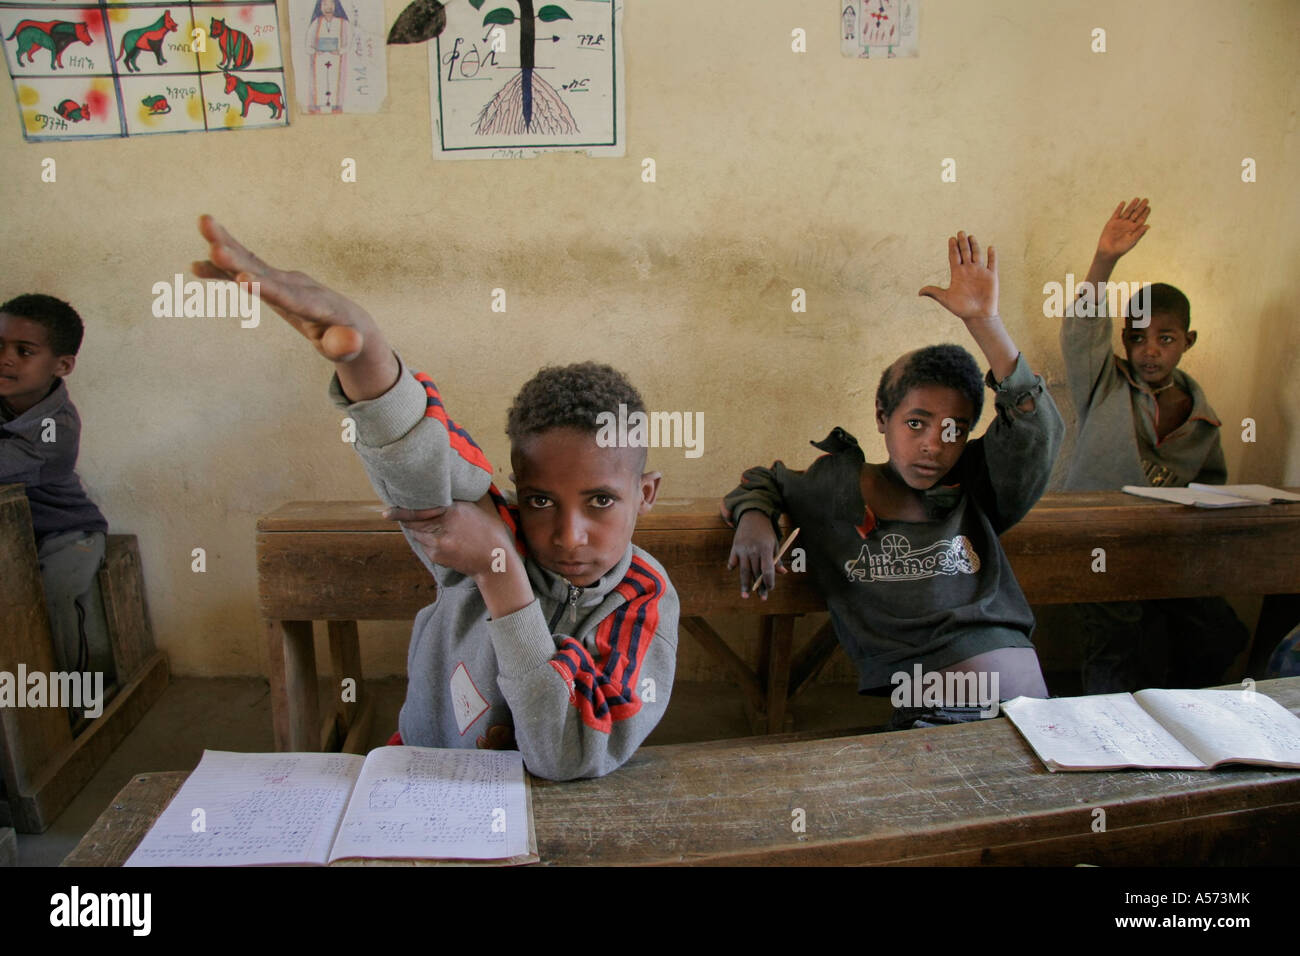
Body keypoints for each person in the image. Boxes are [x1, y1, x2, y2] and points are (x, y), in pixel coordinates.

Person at [193, 215, 679, 780]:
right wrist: (365, 356)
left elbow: (570, 754)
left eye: (601, 501)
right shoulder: (495, 528)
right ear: (519, 490)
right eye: (541, 501)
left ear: (645, 493)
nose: (569, 536)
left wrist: (498, 575)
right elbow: (426, 465)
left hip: (547, 810)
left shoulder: (643, 601)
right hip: (424, 779)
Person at [724, 232, 1062, 727]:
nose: (933, 445)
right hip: (943, 719)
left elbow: (1036, 428)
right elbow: (765, 480)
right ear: (882, 417)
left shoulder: (978, 485)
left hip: (1032, 719)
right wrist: (754, 517)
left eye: (954, 429)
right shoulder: (837, 486)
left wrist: (986, 325)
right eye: (916, 423)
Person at [1059, 197, 1247, 693]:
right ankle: (1107, 727)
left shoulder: (1202, 421)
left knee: (1219, 632)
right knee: (1118, 639)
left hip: (1162, 548)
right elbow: (1081, 331)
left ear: (1189, 341)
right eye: (1139, 338)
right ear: (1123, 339)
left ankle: (1183, 711)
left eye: (1166, 339)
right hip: (1097, 542)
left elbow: (1210, 494)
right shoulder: (1104, 385)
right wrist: (1105, 260)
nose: (1150, 351)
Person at [0, 293, 112, 719]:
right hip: (9, 532)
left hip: (65, 533)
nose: (5, 359)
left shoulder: (56, 429)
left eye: (24, 351)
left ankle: (70, 708)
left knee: (55, 597)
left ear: (61, 366)